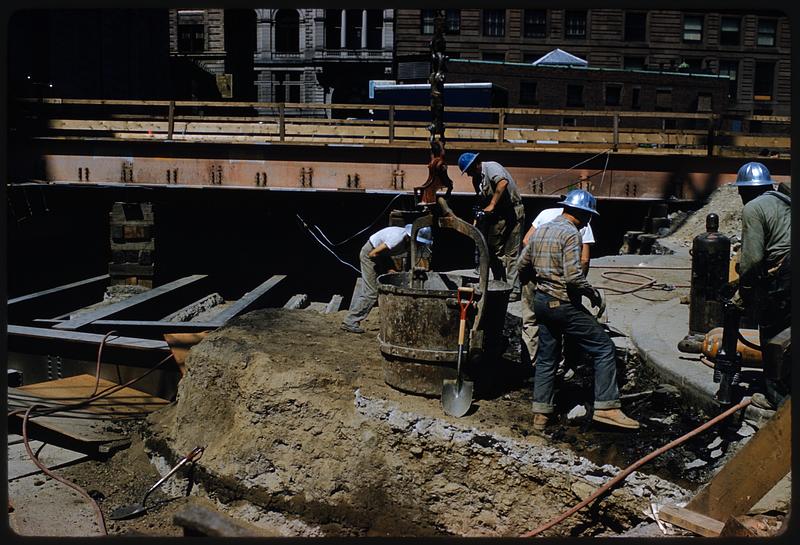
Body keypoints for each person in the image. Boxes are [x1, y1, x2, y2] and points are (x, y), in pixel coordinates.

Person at [518, 190, 639, 432]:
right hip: (561, 302)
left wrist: (541, 284)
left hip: (541, 301)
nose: (588, 221)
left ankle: (541, 414)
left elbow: (522, 264)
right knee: (603, 347)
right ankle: (607, 407)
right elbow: (573, 276)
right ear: (582, 214)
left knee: (546, 357)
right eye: (588, 216)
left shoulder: (542, 229)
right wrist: (592, 293)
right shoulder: (572, 234)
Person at [731, 162, 791, 410]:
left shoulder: (753, 208)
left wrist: (743, 292)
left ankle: (776, 398)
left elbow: (752, 259)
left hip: (786, 272)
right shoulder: (786, 201)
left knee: (773, 331)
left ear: (745, 191)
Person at [519, 191, 596, 372]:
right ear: (582, 212)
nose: (588, 220)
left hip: (532, 276)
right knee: (558, 325)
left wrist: (533, 270)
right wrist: (579, 288)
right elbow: (583, 261)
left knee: (530, 320)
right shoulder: (579, 228)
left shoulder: (545, 215)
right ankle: (558, 366)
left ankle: (530, 364)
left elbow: (526, 241)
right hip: (558, 286)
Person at [342, 224, 433, 334]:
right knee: (371, 292)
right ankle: (350, 321)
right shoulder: (397, 239)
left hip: (383, 255)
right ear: (411, 237)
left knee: (391, 276)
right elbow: (373, 254)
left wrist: (389, 268)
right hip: (370, 255)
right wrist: (383, 268)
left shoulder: (406, 241)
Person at [459, 152, 525, 301]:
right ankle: (499, 283)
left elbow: (502, 183)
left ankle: (514, 290)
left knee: (512, 253)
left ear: (476, 164)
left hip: (513, 213)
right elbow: (482, 200)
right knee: (493, 251)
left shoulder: (492, 167)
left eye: (469, 170)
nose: (469, 175)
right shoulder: (476, 179)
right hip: (498, 217)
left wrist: (492, 204)